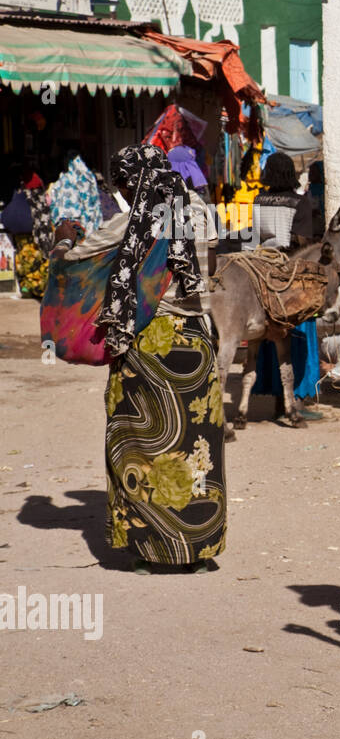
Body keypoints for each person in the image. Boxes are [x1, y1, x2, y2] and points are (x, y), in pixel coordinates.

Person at [48, 144, 226, 574]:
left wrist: (62, 241)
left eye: (124, 183)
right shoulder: (202, 213)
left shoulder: (129, 222)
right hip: (198, 346)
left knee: (137, 449)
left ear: (132, 181)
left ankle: (149, 551)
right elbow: (212, 268)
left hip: (146, 347)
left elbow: (75, 260)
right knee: (196, 449)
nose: (125, 191)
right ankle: (196, 551)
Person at [250, 152, 322, 420]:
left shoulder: (259, 200)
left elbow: (256, 236)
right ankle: (298, 400)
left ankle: (278, 400)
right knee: (299, 330)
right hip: (291, 274)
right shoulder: (300, 202)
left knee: (269, 332)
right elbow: (303, 241)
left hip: (263, 270)